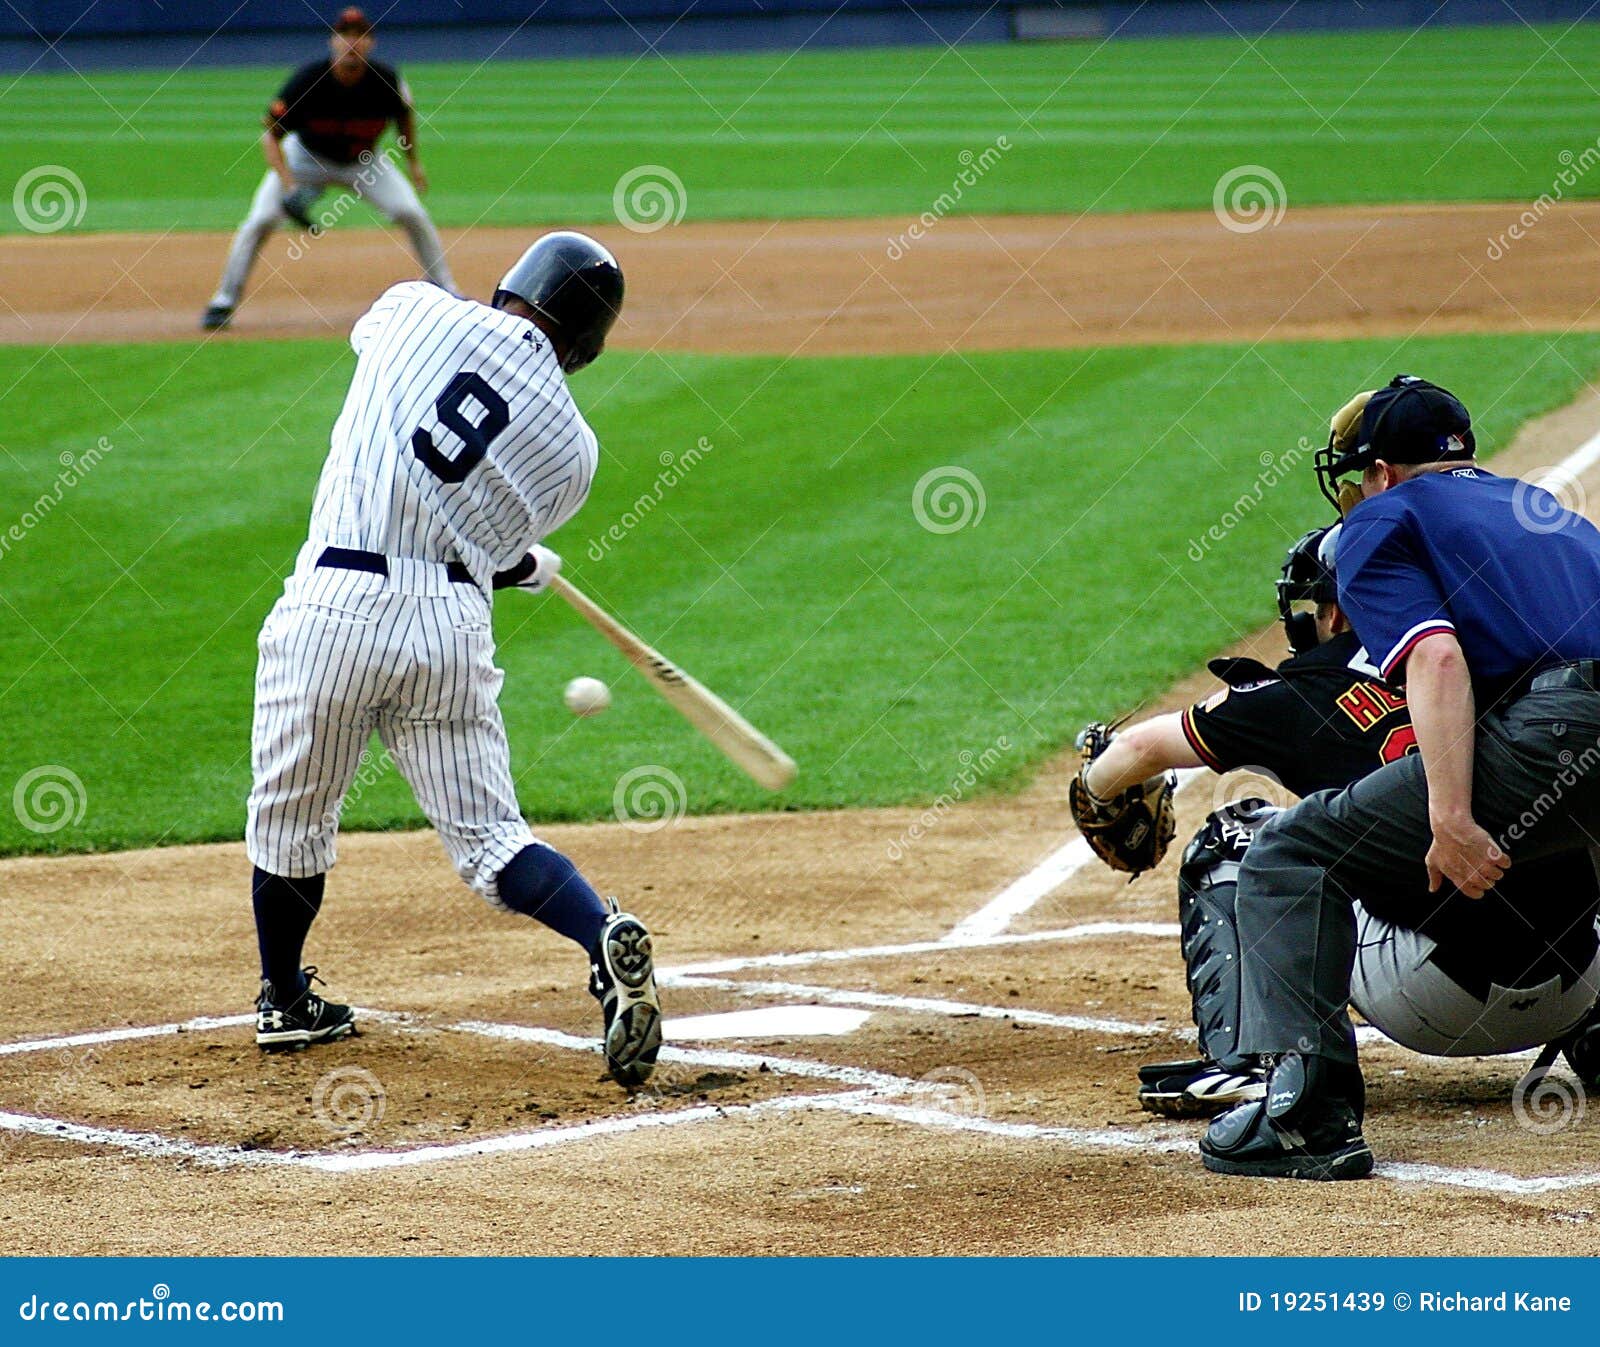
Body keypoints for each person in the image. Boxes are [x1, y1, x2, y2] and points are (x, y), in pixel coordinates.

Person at [245, 230, 662, 1090]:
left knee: (292, 821)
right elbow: (489, 542)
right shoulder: (576, 456)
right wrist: (520, 563)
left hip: (333, 605)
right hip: (447, 626)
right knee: (492, 839)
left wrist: (506, 557)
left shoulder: (411, 310)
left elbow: (423, 444)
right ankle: (599, 932)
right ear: (585, 347)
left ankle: (285, 998)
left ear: (514, 286)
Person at [1201, 374, 1600, 1180]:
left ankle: (1305, 1117)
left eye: (1357, 476)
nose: (1352, 493)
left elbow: (1437, 656)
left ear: (1382, 471)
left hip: (1554, 730)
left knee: (1289, 853)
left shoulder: (1381, 519)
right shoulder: (1547, 509)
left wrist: (1450, 815)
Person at [1076, 525, 1600, 1121]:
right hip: (1579, 972)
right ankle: (1593, 1027)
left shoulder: (1299, 690)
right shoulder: (1510, 658)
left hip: (1431, 1000)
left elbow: (1140, 750)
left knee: (1242, 840)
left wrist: (1093, 788)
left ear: (1335, 609)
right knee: (1579, 797)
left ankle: (1249, 1064)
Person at [200, 7, 454, 331]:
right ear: (332, 41)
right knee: (259, 220)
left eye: (360, 35)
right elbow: (270, 135)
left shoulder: (386, 79)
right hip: (305, 158)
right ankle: (223, 301)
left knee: (411, 212)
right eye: (345, 35)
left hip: (364, 162)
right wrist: (290, 185)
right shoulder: (308, 80)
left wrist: (414, 164)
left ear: (370, 43)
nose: (352, 42)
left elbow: (405, 118)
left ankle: (446, 289)